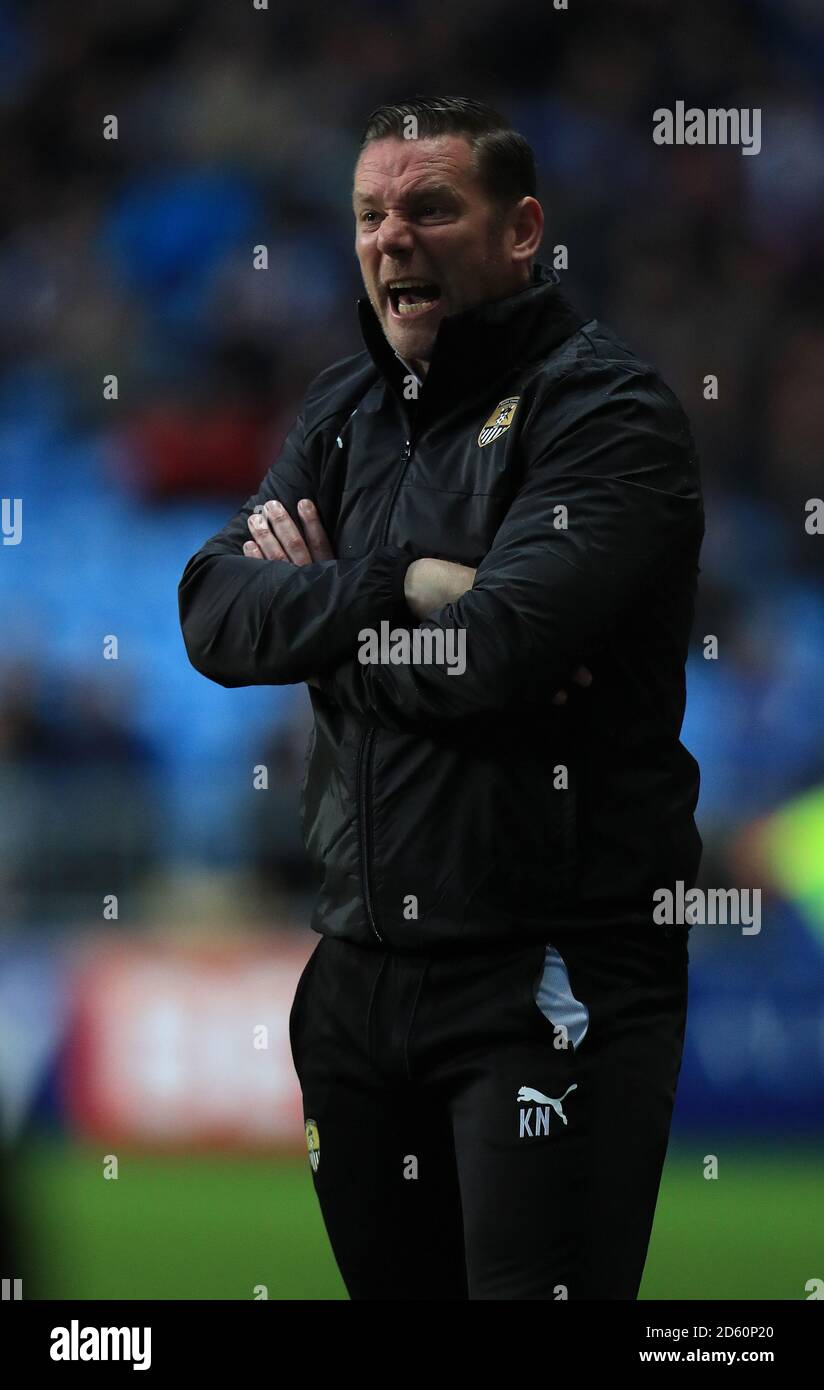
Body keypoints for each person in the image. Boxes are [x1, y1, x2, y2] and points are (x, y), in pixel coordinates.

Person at [178, 95, 704, 1300]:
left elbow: (495, 656)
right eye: (368, 214)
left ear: (520, 230)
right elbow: (210, 610)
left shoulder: (605, 414)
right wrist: (405, 584)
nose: (389, 239)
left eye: (428, 207)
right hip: (356, 977)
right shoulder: (346, 408)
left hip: (545, 971)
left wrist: (319, 621)